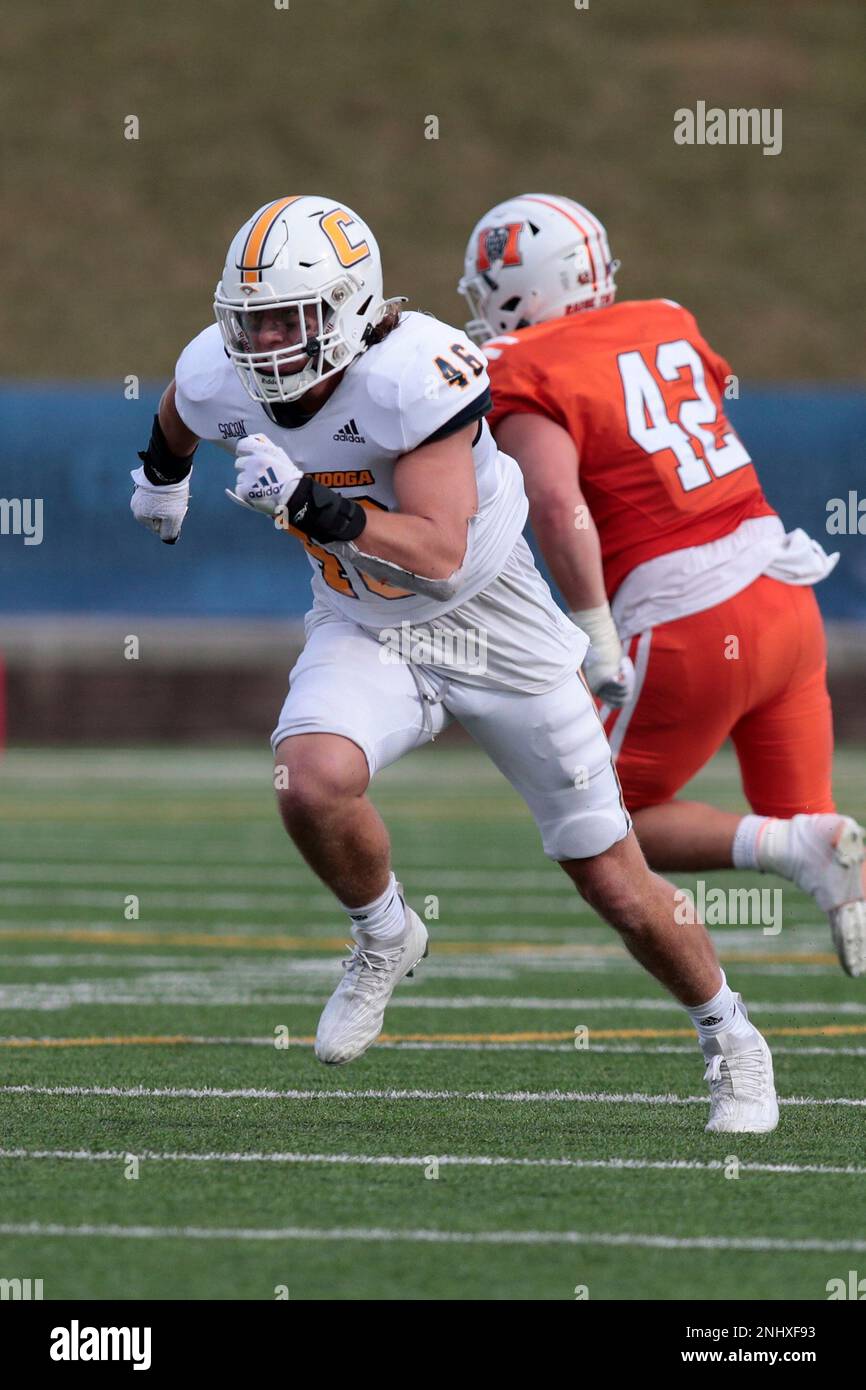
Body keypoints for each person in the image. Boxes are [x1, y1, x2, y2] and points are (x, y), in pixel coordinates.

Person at [131, 193, 779, 1132]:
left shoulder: (411, 374)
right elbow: (183, 407)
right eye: (250, 317)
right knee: (310, 779)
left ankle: (732, 1036)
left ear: (352, 308)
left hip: (490, 619)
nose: (263, 341)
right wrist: (159, 476)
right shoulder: (219, 365)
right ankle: (384, 933)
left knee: (611, 875)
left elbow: (435, 552)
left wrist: (310, 505)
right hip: (362, 622)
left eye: (288, 319)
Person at [458, 192, 865, 978]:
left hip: (687, 616)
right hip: (784, 594)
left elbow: (555, 501)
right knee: (813, 824)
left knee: (600, 822)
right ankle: (831, 872)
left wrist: (595, 627)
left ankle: (795, 852)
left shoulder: (520, 364)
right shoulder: (666, 319)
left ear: (525, 288)